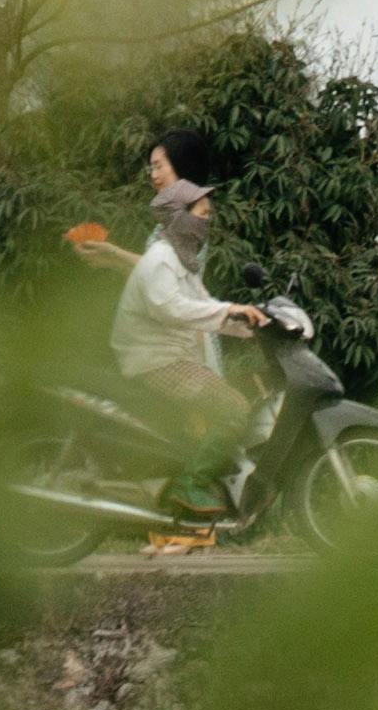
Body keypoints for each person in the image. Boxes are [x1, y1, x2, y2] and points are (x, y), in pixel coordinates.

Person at [107, 145, 265, 481]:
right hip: (158, 359)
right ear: (180, 217)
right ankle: (190, 488)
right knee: (234, 409)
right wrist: (231, 311)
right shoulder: (161, 259)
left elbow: (202, 302)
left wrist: (254, 325)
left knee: (200, 424)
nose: (207, 222)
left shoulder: (181, 258)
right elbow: (174, 308)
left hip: (172, 354)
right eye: (202, 215)